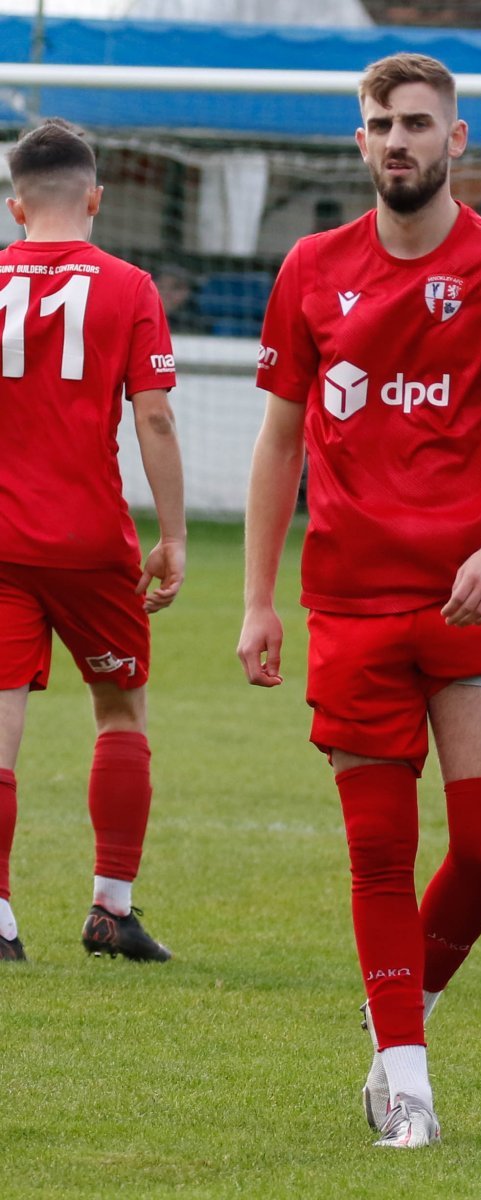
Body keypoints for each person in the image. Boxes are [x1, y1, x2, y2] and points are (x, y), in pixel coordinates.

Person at [237, 53, 481, 1148]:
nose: (398, 140)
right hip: (349, 604)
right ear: (359, 142)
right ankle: (404, 1081)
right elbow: (279, 437)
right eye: (381, 124)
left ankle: (407, 1004)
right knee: (378, 855)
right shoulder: (309, 268)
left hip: (478, 601)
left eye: (417, 124)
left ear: (457, 139)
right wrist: (257, 601)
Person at [0, 119, 186, 964]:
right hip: (88, 543)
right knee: (120, 709)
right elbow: (152, 414)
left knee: (1, 720)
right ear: (95, 198)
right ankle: (111, 907)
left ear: (15, 208)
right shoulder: (130, 286)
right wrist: (173, 536)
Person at [153, 262, 208, 334]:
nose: (167, 294)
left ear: (188, 292)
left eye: (176, 288)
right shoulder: (141, 318)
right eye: (161, 287)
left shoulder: (198, 324)